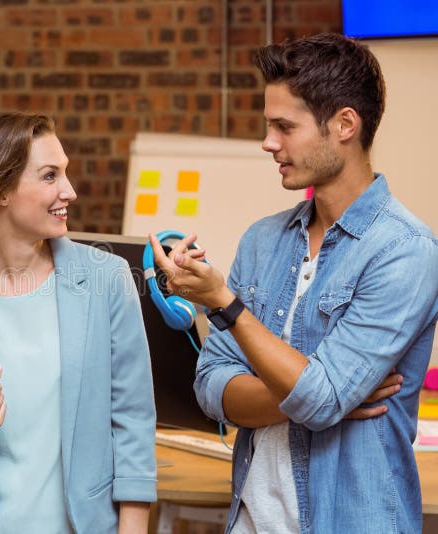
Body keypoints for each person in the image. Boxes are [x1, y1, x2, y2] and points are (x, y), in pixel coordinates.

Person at [151, 32, 438, 533]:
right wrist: (313, 399)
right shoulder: (263, 241)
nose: (268, 142)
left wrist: (225, 304)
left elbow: (322, 399)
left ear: (344, 125)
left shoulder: (405, 250)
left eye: (284, 126)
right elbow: (212, 387)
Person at [0, 111, 157, 533]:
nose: (70, 191)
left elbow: (133, 422)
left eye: (65, 172)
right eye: (49, 176)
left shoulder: (108, 279)